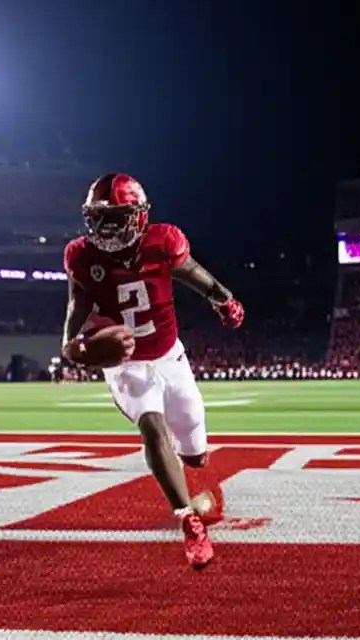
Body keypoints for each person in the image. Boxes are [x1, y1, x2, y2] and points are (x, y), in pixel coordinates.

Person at [61, 173, 244, 570]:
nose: (106, 228)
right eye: (100, 218)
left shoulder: (163, 242)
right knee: (152, 425)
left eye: (117, 218)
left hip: (170, 357)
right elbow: (76, 306)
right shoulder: (81, 255)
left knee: (196, 457)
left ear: (139, 217)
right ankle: (189, 522)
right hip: (125, 363)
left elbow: (194, 273)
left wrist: (224, 299)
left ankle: (193, 485)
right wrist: (72, 345)